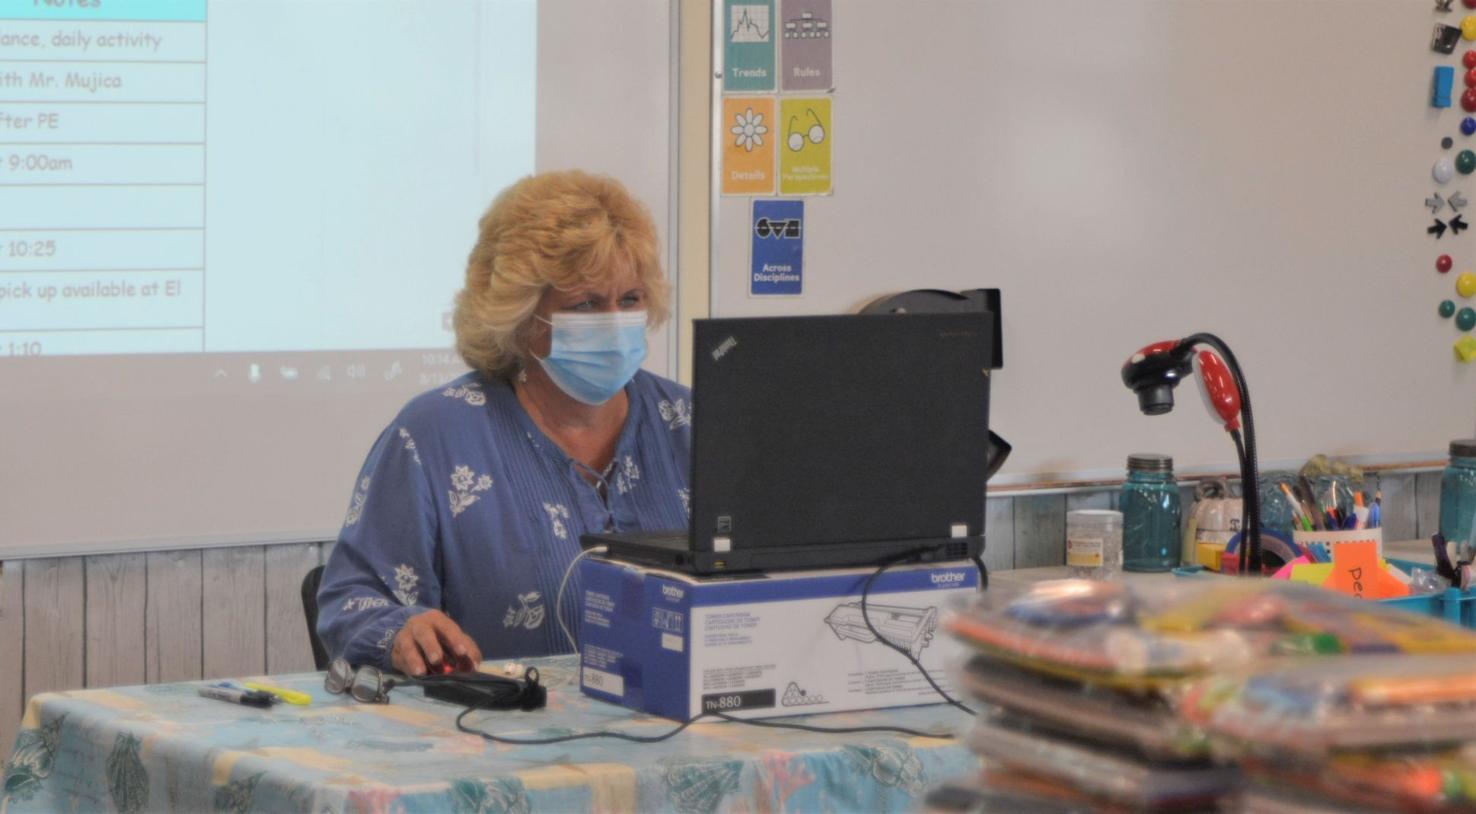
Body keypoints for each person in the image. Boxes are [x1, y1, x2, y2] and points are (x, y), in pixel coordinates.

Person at [317, 171, 691, 675]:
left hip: (692, 731)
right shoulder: (434, 435)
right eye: (585, 304)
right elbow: (352, 600)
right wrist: (402, 630)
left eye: (629, 299)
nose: (614, 321)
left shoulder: (691, 425)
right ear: (521, 316)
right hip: (501, 737)